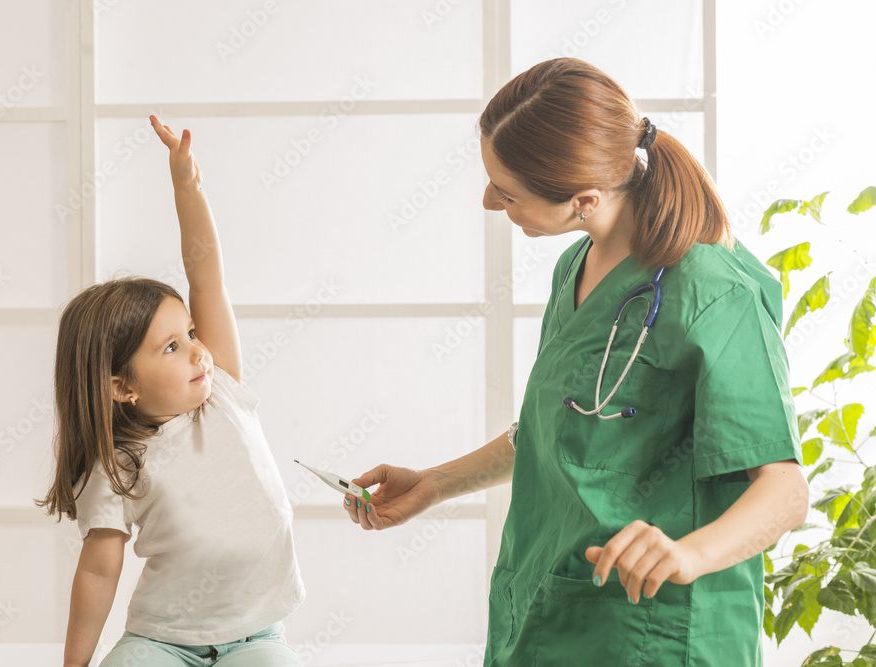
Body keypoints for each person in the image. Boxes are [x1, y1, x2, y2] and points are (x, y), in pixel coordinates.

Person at [341, 58, 808, 666]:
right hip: (547, 606)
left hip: (655, 630)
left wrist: (688, 554)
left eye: (505, 192)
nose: (488, 200)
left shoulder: (714, 293)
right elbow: (566, 429)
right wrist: (434, 483)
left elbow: (784, 490)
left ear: (584, 199)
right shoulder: (575, 270)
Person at [37, 116, 305, 667]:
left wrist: (187, 189)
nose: (198, 350)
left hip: (256, 635)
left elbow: (206, 277)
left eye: (189, 334)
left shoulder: (222, 394)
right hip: (161, 640)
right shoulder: (117, 466)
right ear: (120, 387)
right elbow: (97, 571)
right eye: (172, 348)